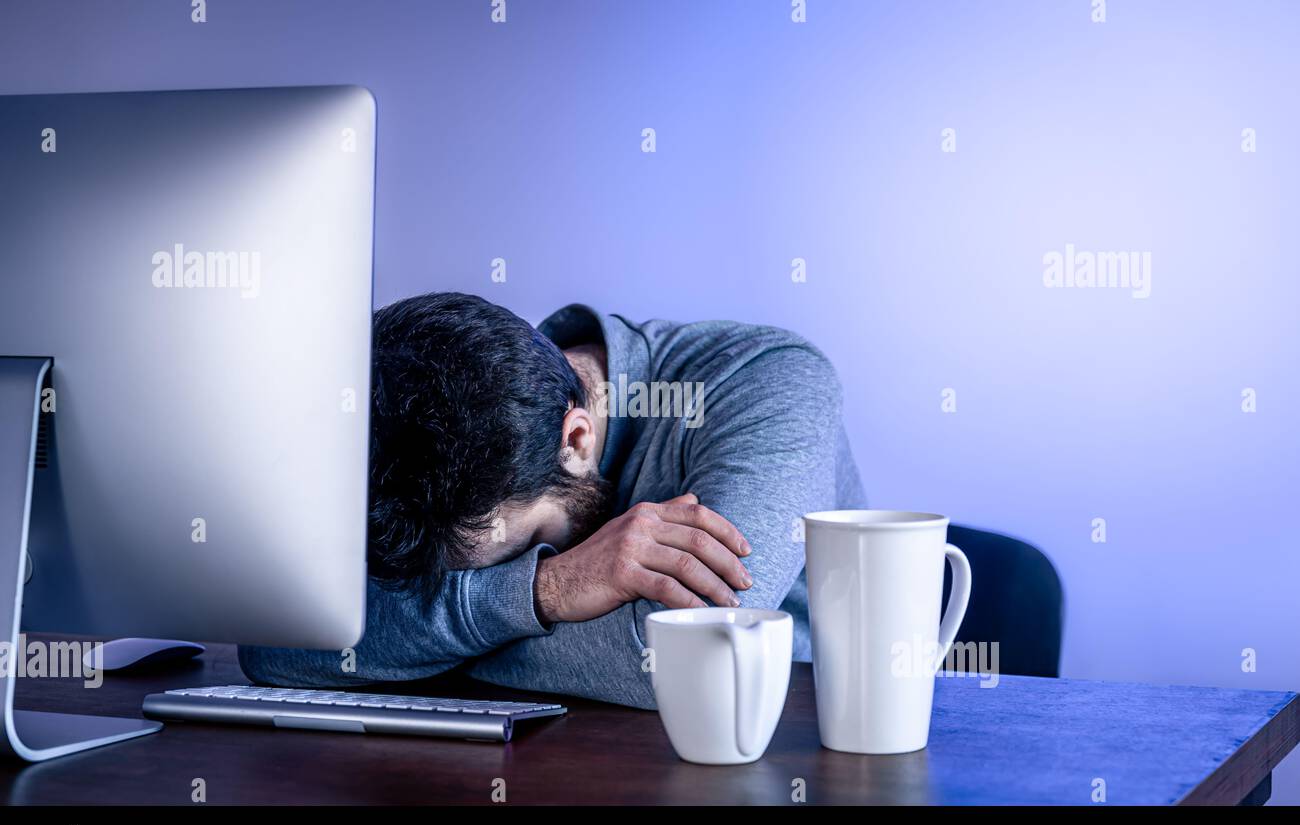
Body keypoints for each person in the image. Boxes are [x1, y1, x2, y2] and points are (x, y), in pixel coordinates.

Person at [239, 292, 866, 708]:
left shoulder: (775, 383)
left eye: (517, 558)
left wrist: (412, 641)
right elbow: (275, 642)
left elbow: (704, 664)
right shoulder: (422, 431)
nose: (503, 582)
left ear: (576, 440)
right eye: (440, 581)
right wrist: (549, 590)